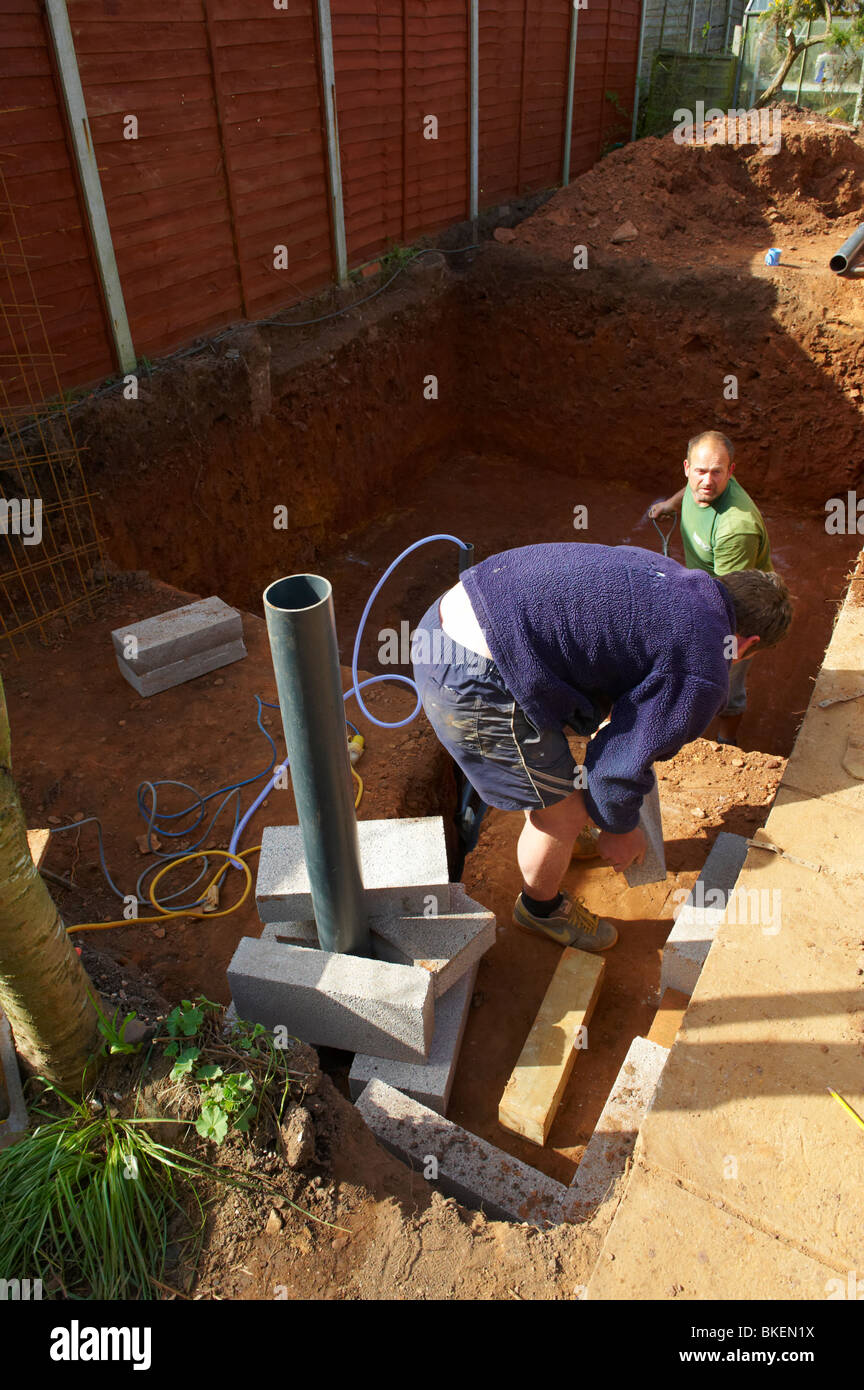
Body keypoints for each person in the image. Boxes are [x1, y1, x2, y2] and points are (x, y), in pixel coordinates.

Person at [412, 543, 792, 953]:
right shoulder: (703, 667)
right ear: (749, 642)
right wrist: (619, 829)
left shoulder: (675, 579)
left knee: (561, 788)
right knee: (562, 817)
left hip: (449, 617)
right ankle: (539, 910)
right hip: (473, 678)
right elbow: (617, 767)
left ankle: (566, 836)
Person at [648, 430, 773, 745]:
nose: (707, 480)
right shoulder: (700, 486)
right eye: (701, 471)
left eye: (717, 472)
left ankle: (725, 745)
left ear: (731, 472)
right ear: (687, 467)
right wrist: (669, 505)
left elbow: (730, 600)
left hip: (739, 612)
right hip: (709, 588)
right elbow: (690, 491)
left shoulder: (735, 529)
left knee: (725, 681)